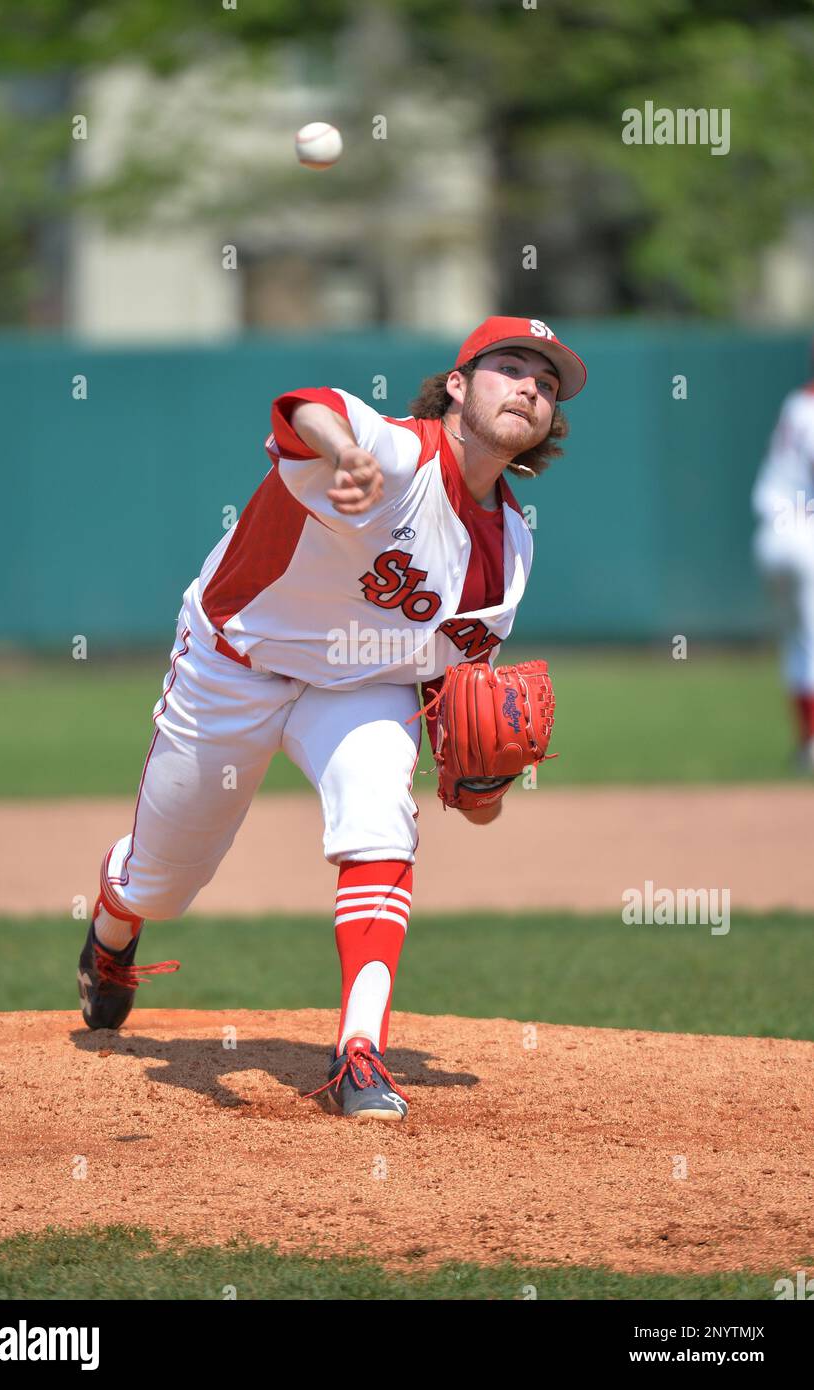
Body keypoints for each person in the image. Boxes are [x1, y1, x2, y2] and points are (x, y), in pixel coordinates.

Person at [76, 315, 587, 1121]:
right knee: (163, 883)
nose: (530, 385)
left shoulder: (510, 549)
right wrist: (343, 453)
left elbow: (455, 709)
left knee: (382, 821)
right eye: (512, 366)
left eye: (548, 383)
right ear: (458, 385)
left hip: (363, 687)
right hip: (236, 661)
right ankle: (112, 931)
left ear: (550, 421)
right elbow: (303, 407)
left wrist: (484, 784)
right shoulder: (395, 451)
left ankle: (359, 1052)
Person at [752, 345, 814, 771]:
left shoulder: (797, 401)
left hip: (771, 535)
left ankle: (806, 741)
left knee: (798, 642)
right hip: (804, 533)